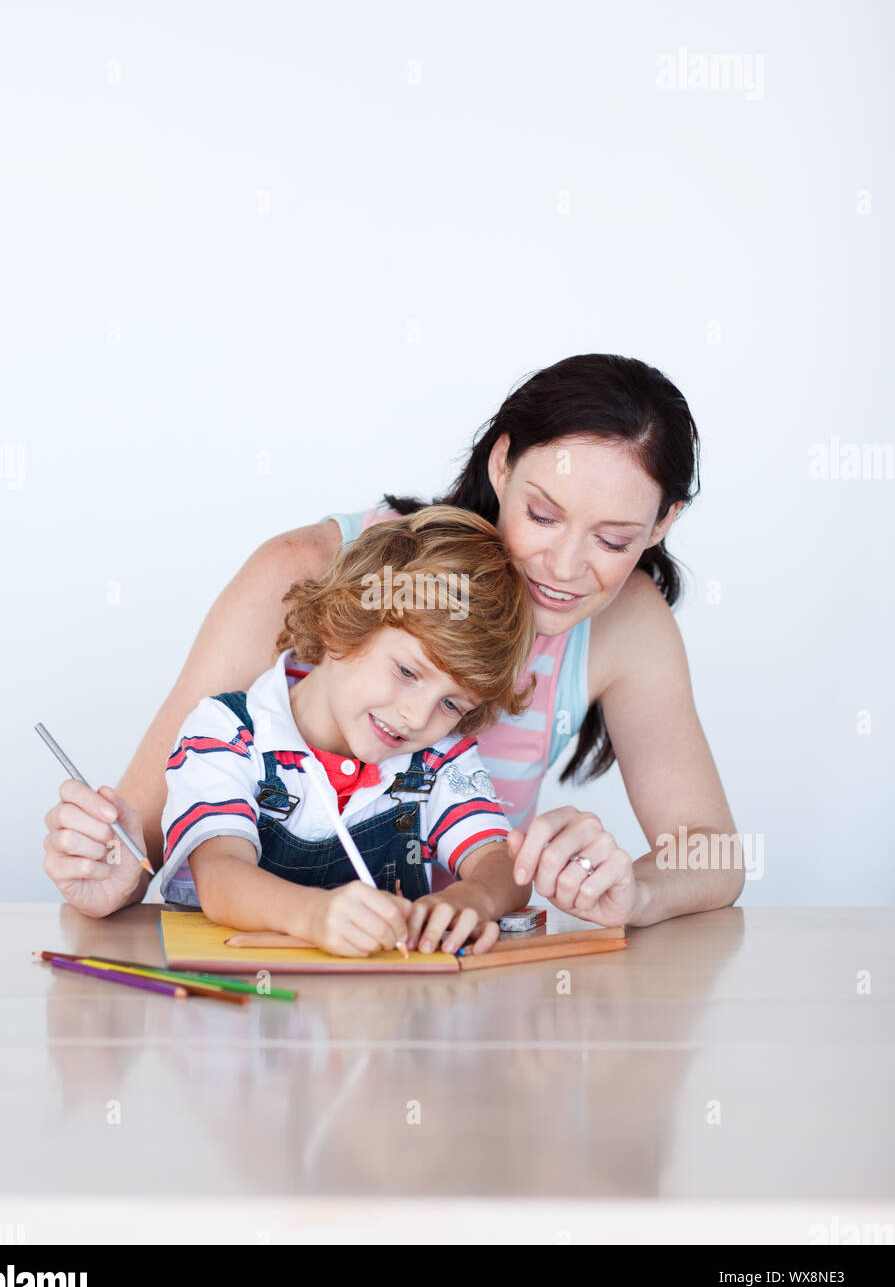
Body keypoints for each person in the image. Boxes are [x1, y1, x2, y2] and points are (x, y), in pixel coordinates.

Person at [43, 352, 741, 928]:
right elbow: (147, 839)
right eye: (541, 514)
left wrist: (631, 892)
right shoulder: (313, 573)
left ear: (660, 524)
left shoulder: (625, 622)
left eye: (613, 539)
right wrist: (107, 871)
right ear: (501, 463)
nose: (562, 569)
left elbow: (710, 853)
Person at [157, 506, 536, 956]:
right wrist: (313, 916)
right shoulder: (228, 733)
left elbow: (503, 863)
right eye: (407, 672)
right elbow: (220, 875)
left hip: (384, 1014)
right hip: (248, 1010)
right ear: (343, 625)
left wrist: (470, 899)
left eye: (451, 703)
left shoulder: (438, 761)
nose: (417, 717)